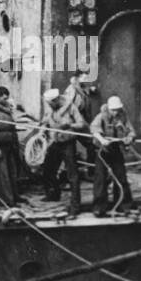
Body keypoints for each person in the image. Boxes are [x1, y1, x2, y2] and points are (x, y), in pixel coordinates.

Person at [39, 87, 88, 215]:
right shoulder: (50, 108)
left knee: (72, 175)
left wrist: (69, 126)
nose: (49, 105)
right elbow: (45, 122)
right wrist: (41, 130)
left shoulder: (70, 107)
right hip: (55, 142)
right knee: (48, 170)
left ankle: (75, 206)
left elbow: (81, 124)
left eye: (50, 103)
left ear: (56, 100)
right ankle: (53, 194)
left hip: (68, 143)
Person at [90, 95, 136, 216]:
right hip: (102, 150)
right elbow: (94, 129)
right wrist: (102, 139)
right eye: (113, 110)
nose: (115, 112)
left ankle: (123, 205)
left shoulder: (123, 116)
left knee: (121, 177)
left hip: (116, 149)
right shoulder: (101, 117)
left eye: (117, 110)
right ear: (109, 109)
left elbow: (131, 131)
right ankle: (99, 207)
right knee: (100, 178)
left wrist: (129, 138)